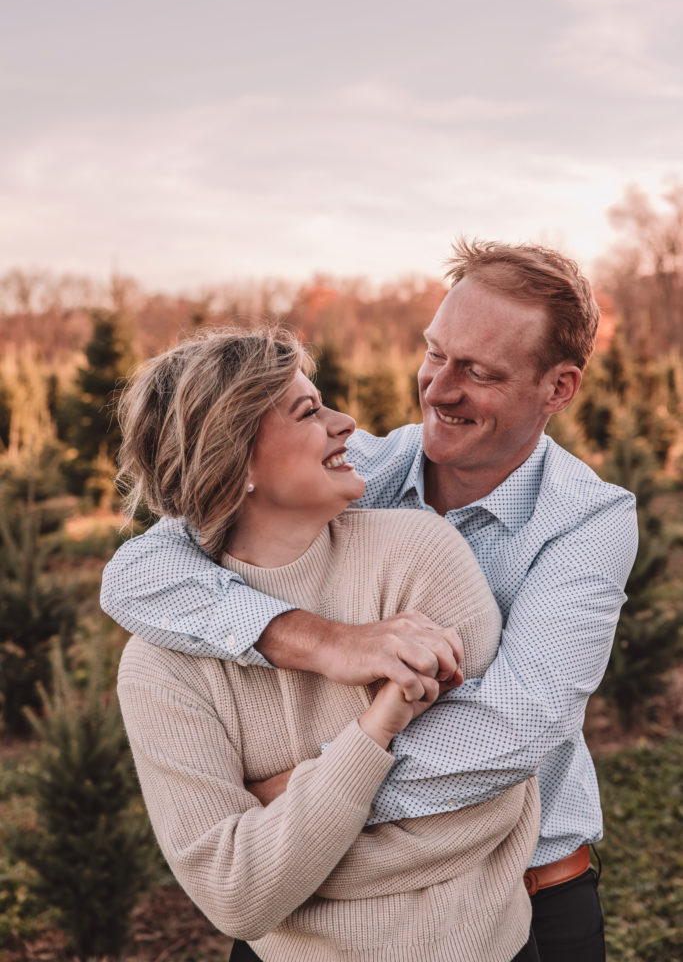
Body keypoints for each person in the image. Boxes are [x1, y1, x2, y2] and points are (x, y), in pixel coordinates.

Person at [102, 239, 638, 962]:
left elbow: (514, 729)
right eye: (435, 354)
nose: (438, 389)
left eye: (478, 372)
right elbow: (136, 572)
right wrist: (321, 640)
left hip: (529, 894)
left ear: (559, 388)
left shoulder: (587, 520)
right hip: (307, 926)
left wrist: (305, 794)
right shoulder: (355, 469)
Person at [114, 328, 541, 962]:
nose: (346, 424)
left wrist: (282, 831)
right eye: (308, 411)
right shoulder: (160, 665)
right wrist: (374, 731)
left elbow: (489, 800)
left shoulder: (420, 558)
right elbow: (236, 896)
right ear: (236, 462)